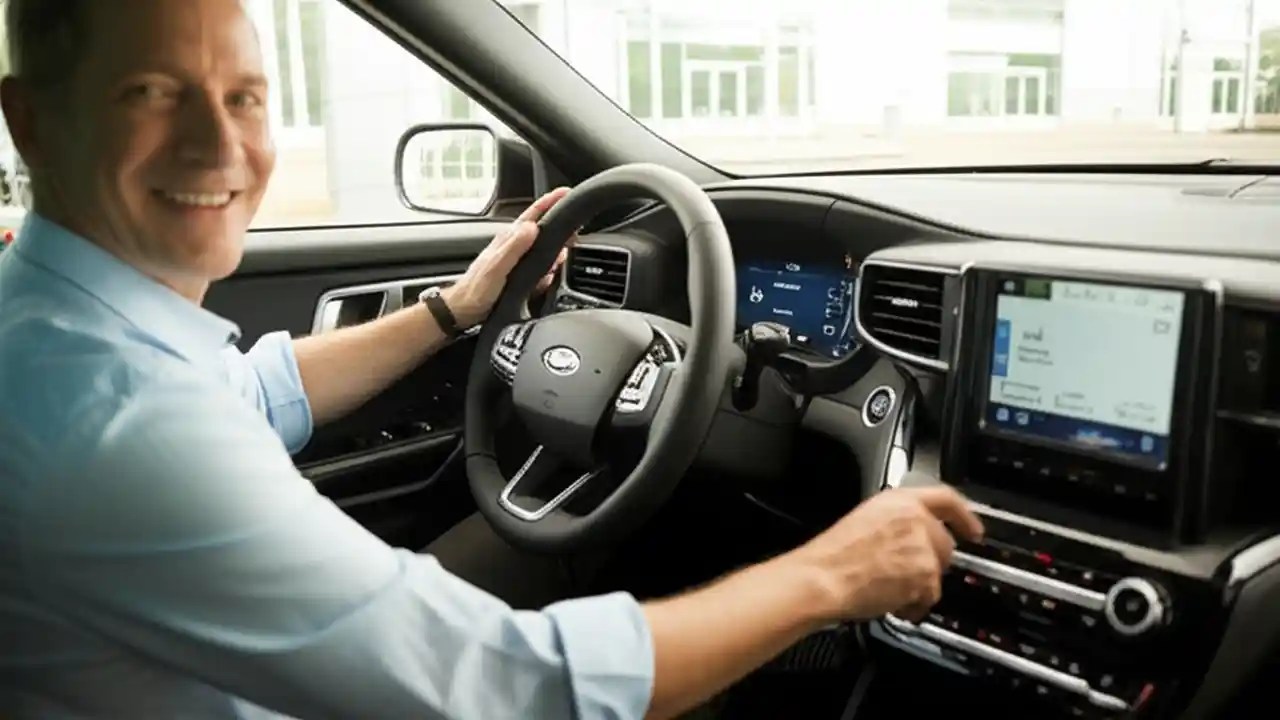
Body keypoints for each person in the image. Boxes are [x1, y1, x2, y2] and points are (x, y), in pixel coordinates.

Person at [0, 1, 984, 718]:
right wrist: (833, 576)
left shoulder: (57, 333)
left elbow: (254, 388)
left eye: (246, 97)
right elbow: (514, 685)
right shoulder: (120, 423)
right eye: (152, 94)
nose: (221, 146)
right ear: (30, 123)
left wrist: (453, 311)